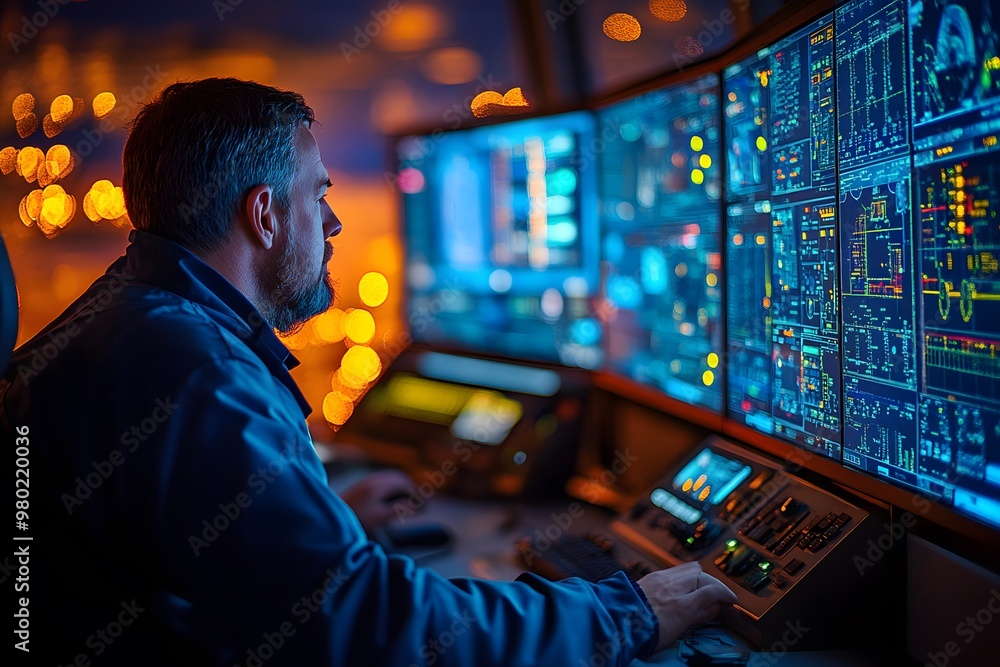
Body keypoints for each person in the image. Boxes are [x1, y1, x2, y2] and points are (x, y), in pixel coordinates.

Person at [0, 78, 735, 666]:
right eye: (318, 195)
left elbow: (185, 540)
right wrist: (627, 613)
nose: (335, 223)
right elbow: (368, 625)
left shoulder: (124, 312)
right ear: (264, 214)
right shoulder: (198, 370)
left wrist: (326, 521)